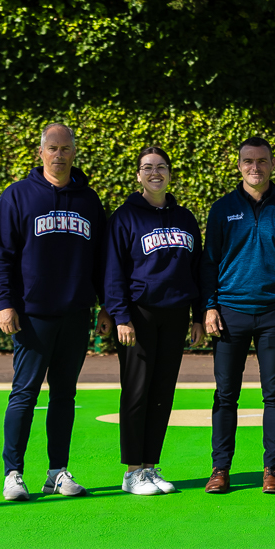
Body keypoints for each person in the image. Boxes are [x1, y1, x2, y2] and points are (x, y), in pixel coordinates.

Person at [0, 122, 113, 501]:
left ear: (74, 152)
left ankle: (57, 472)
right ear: (40, 152)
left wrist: (105, 306)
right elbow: (1, 255)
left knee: (64, 395)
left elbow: (102, 260)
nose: (59, 155)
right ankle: (13, 473)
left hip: (75, 313)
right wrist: (5, 303)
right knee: (24, 394)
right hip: (32, 314)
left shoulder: (88, 200)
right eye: (52, 148)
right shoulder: (17, 196)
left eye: (65, 148)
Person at [201, 136, 275, 494]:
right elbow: (209, 262)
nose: (255, 167)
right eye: (248, 161)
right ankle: (220, 469)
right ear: (239, 166)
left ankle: (272, 469)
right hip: (230, 313)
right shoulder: (221, 209)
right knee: (225, 395)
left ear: (272, 164)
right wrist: (209, 305)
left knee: (274, 395)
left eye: (262, 161)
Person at [104, 145, 205, 495]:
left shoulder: (185, 218)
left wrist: (197, 316)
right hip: (138, 315)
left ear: (170, 174)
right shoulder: (124, 217)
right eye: (147, 167)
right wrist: (121, 316)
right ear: (138, 176)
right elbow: (113, 271)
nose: (155, 173)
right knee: (137, 391)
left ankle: (150, 466)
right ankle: (132, 471)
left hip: (176, 314)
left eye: (161, 167)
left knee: (163, 392)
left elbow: (197, 269)